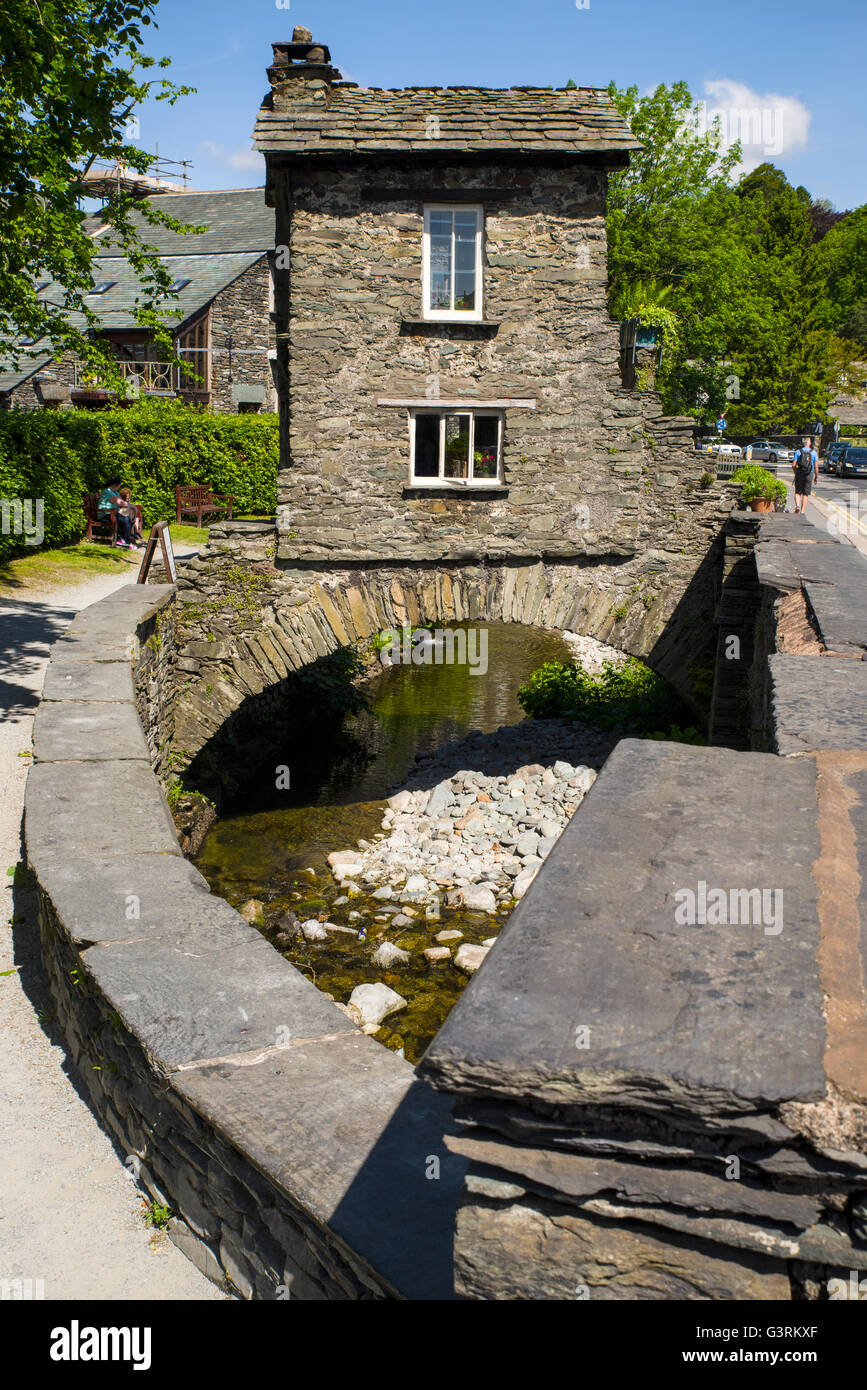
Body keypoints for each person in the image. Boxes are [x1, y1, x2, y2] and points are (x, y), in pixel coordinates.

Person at [97, 476, 135, 548]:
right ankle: (126, 542)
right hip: (105, 515)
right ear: (115, 485)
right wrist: (133, 506)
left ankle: (124, 540)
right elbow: (119, 502)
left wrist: (132, 506)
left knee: (127, 519)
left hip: (112, 514)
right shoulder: (107, 492)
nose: (119, 488)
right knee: (125, 520)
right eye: (119, 486)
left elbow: (122, 501)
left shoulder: (115, 492)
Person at [792, 436, 818, 515]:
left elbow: (793, 465)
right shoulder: (813, 452)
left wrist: (795, 472)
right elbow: (816, 466)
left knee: (797, 492)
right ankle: (802, 511)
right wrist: (816, 477)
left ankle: (797, 506)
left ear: (803, 443)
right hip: (809, 473)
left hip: (799, 473)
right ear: (810, 444)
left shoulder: (798, 452)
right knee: (805, 493)